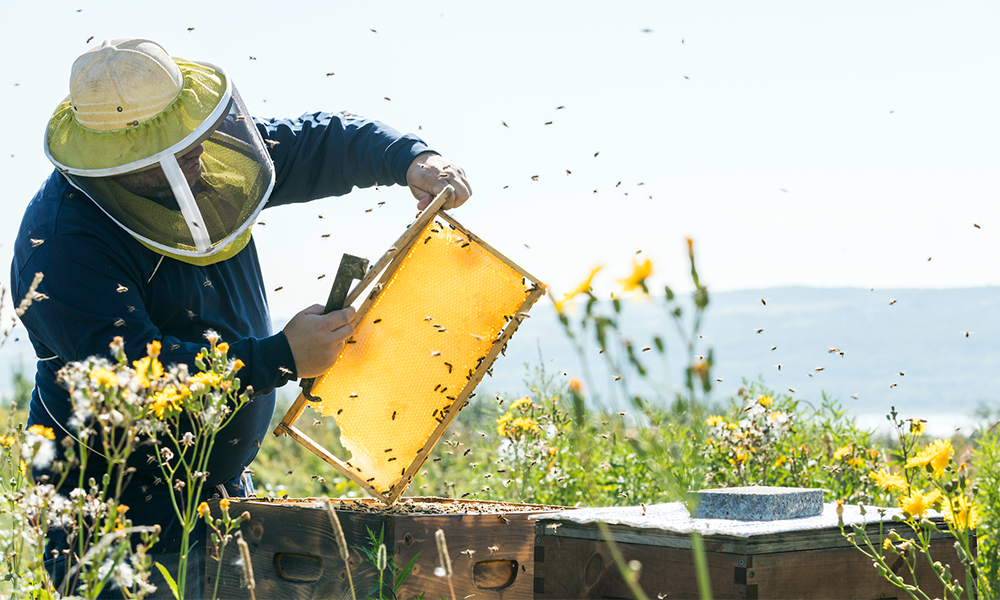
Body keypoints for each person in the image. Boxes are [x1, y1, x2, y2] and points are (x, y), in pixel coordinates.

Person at [10, 38, 471, 597]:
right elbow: (130, 377)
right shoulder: (62, 245)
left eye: (193, 139)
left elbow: (315, 141)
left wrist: (410, 158)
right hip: (113, 516)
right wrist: (279, 357)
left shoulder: (199, 156)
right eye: (175, 153)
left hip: (218, 491)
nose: (197, 157)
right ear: (120, 161)